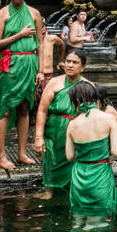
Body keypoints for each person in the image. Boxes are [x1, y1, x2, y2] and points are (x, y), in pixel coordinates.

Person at [0, 0, 47, 170]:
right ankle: (1, 155)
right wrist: (20, 35)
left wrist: (41, 71)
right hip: (10, 64)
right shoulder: (2, 14)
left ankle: (22, 153)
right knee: (5, 109)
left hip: (30, 64)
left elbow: (40, 45)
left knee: (24, 108)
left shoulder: (34, 14)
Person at [64, 79, 117, 215]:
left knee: (79, 219)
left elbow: (69, 156)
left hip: (79, 177)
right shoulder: (109, 119)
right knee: (99, 221)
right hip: (100, 175)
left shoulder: (72, 124)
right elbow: (116, 151)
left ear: (77, 102)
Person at [34, 47, 86, 191]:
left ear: (82, 68)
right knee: (51, 165)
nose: (69, 65)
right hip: (53, 133)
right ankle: (49, 199)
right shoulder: (54, 83)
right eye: (67, 61)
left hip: (76, 137)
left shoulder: (87, 87)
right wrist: (38, 137)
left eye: (75, 62)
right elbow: (42, 111)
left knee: (73, 176)